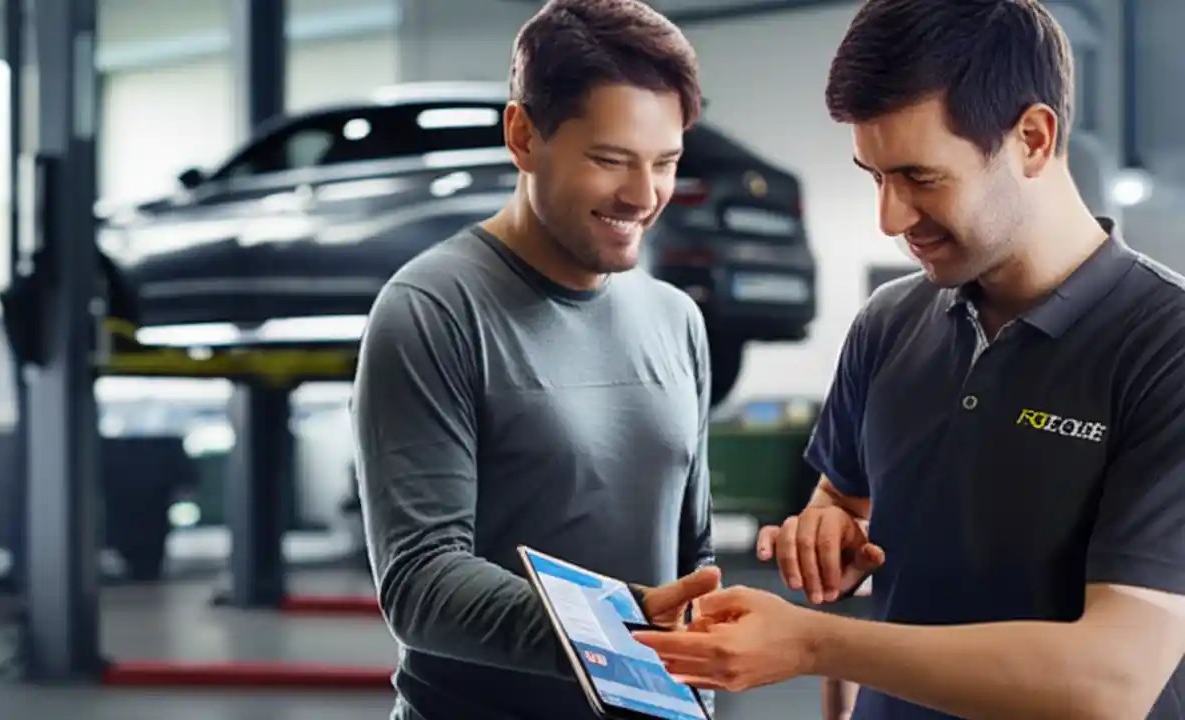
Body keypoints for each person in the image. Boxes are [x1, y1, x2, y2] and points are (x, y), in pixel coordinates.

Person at [633, 1, 1185, 719]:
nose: (890, 219)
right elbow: (845, 500)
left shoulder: (1164, 347)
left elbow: (1109, 683)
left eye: (921, 177)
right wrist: (828, 527)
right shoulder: (889, 323)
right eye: (874, 176)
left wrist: (814, 644)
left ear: (1033, 139)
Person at [350, 1, 721, 718]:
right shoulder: (432, 309)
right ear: (523, 136)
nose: (643, 197)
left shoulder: (677, 320)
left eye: (665, 163)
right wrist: (617, 632)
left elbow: (692, 557)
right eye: (610, 160)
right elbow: (421, 582)